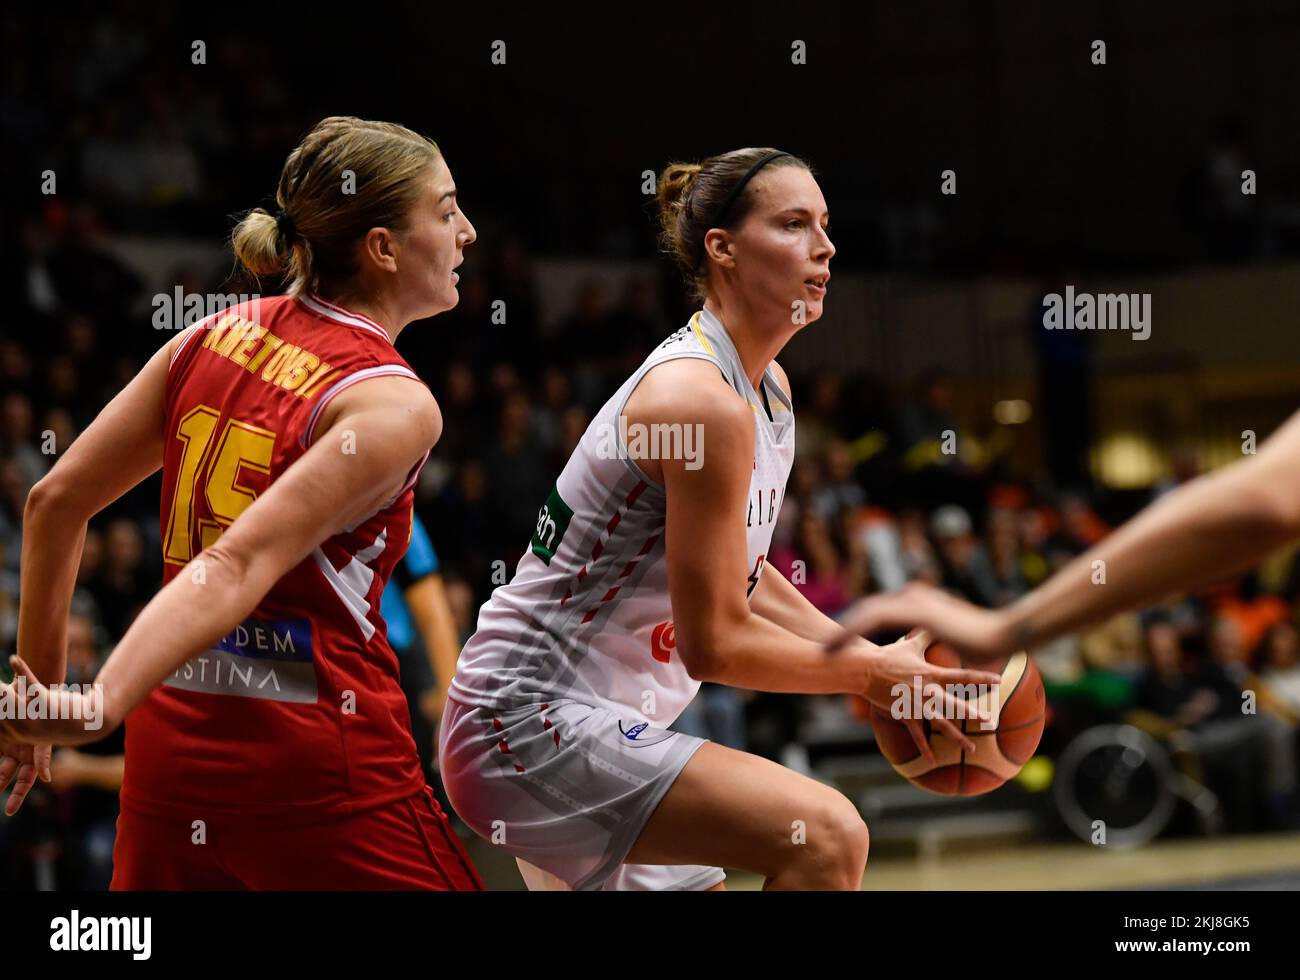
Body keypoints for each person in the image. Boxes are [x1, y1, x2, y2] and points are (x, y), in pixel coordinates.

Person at [439, 147, 999, 891]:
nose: (826, 246)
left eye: (825, 225)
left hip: (587, 727)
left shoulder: (768, 391)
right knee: (827, 838)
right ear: (722, 248)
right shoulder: (699, 401)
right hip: (529, 722)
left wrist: (865, 659)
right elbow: (715, 645)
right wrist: (871, 675)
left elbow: (745, 572)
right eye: (795, 224)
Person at [0, 116, 483, 890]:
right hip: (323, 770)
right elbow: (234, 565)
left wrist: (40, 698)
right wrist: (93, 706)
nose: (466, 232)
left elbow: (54, 502)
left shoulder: (209, 335)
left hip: (171, 763)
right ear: (383, 248)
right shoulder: (393, 403)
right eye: (447, 208)